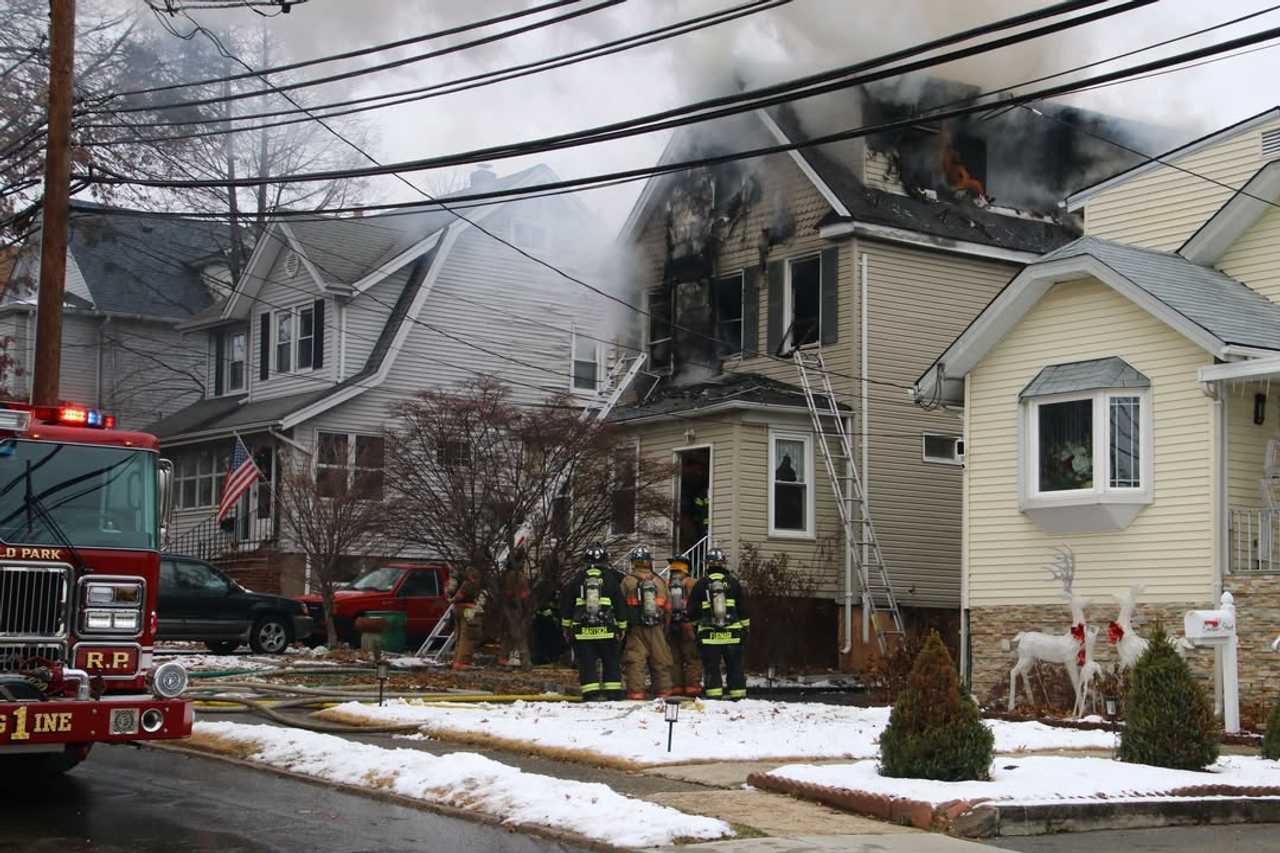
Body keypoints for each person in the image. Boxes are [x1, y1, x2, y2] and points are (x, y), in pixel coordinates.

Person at [560, 543, 627, 701]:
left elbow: (567, 605)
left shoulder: (577, 579)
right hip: (607, 630)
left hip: (583, 632)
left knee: (587, 663)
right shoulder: (611, 579)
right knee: (611, 661)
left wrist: (566, 627)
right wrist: (622, 627)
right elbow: (619, 604)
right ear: (605, 559)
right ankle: (613, 693)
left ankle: (591, 694)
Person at [690, 547, 750, 700]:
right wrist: (745, 627)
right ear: (723, 563)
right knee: (735, 666)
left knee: (712, 667)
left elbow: (692, 611)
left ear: (707, 565)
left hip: (709, 636)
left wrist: (696, 626)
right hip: (733, 635)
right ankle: (738, 695)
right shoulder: (733, 583)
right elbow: (742, 608)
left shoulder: (701, 584)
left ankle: (714, 695)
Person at [620, 546, 673, 699]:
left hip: (636, 628)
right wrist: (665, 628)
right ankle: (663, 692)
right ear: (649, 563)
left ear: (633, 563)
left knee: (635, 660)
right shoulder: (660, 581)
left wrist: (624, 627)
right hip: (657, 627)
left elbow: (620, 605)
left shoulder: (627, 581)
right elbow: (668, 608)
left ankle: (636, 693)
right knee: (661, 660)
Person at [665, 555, 701, 697]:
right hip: (688, 626)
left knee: (675, 658)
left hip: (671, 625)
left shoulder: (666, 584)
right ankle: (692, 690)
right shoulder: (693, 583)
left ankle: (676, 688)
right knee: (692, 659)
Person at [450, 566, 484, 671]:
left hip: (458, 609)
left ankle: (456, 660)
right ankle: (462, 661)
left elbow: (457, 597)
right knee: (467, 636)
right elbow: (460, 596)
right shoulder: (470, 584)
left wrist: (451, 600)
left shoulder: (464, 583)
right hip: (468, 610)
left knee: (459, 635)